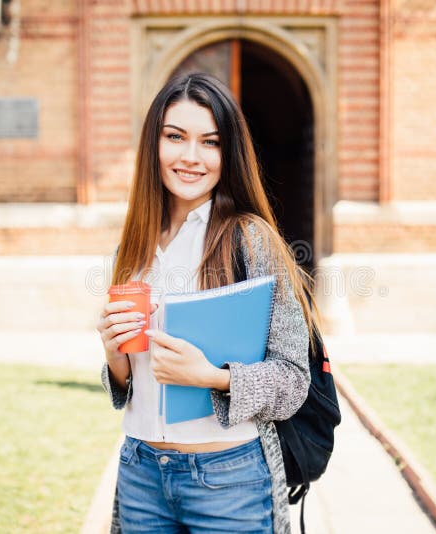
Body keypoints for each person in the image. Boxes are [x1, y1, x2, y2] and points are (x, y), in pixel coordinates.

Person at [97, 72, 319, 534]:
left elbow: (293, 380)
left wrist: (212, 377)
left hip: (228, 478)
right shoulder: (132, 247)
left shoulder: (250, 240)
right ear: (153, 144)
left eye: (210, 142)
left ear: (228, 153)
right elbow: (130, 383)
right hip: (141, 472)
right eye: (175, 137)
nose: (191, 157)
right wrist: (114, 357)